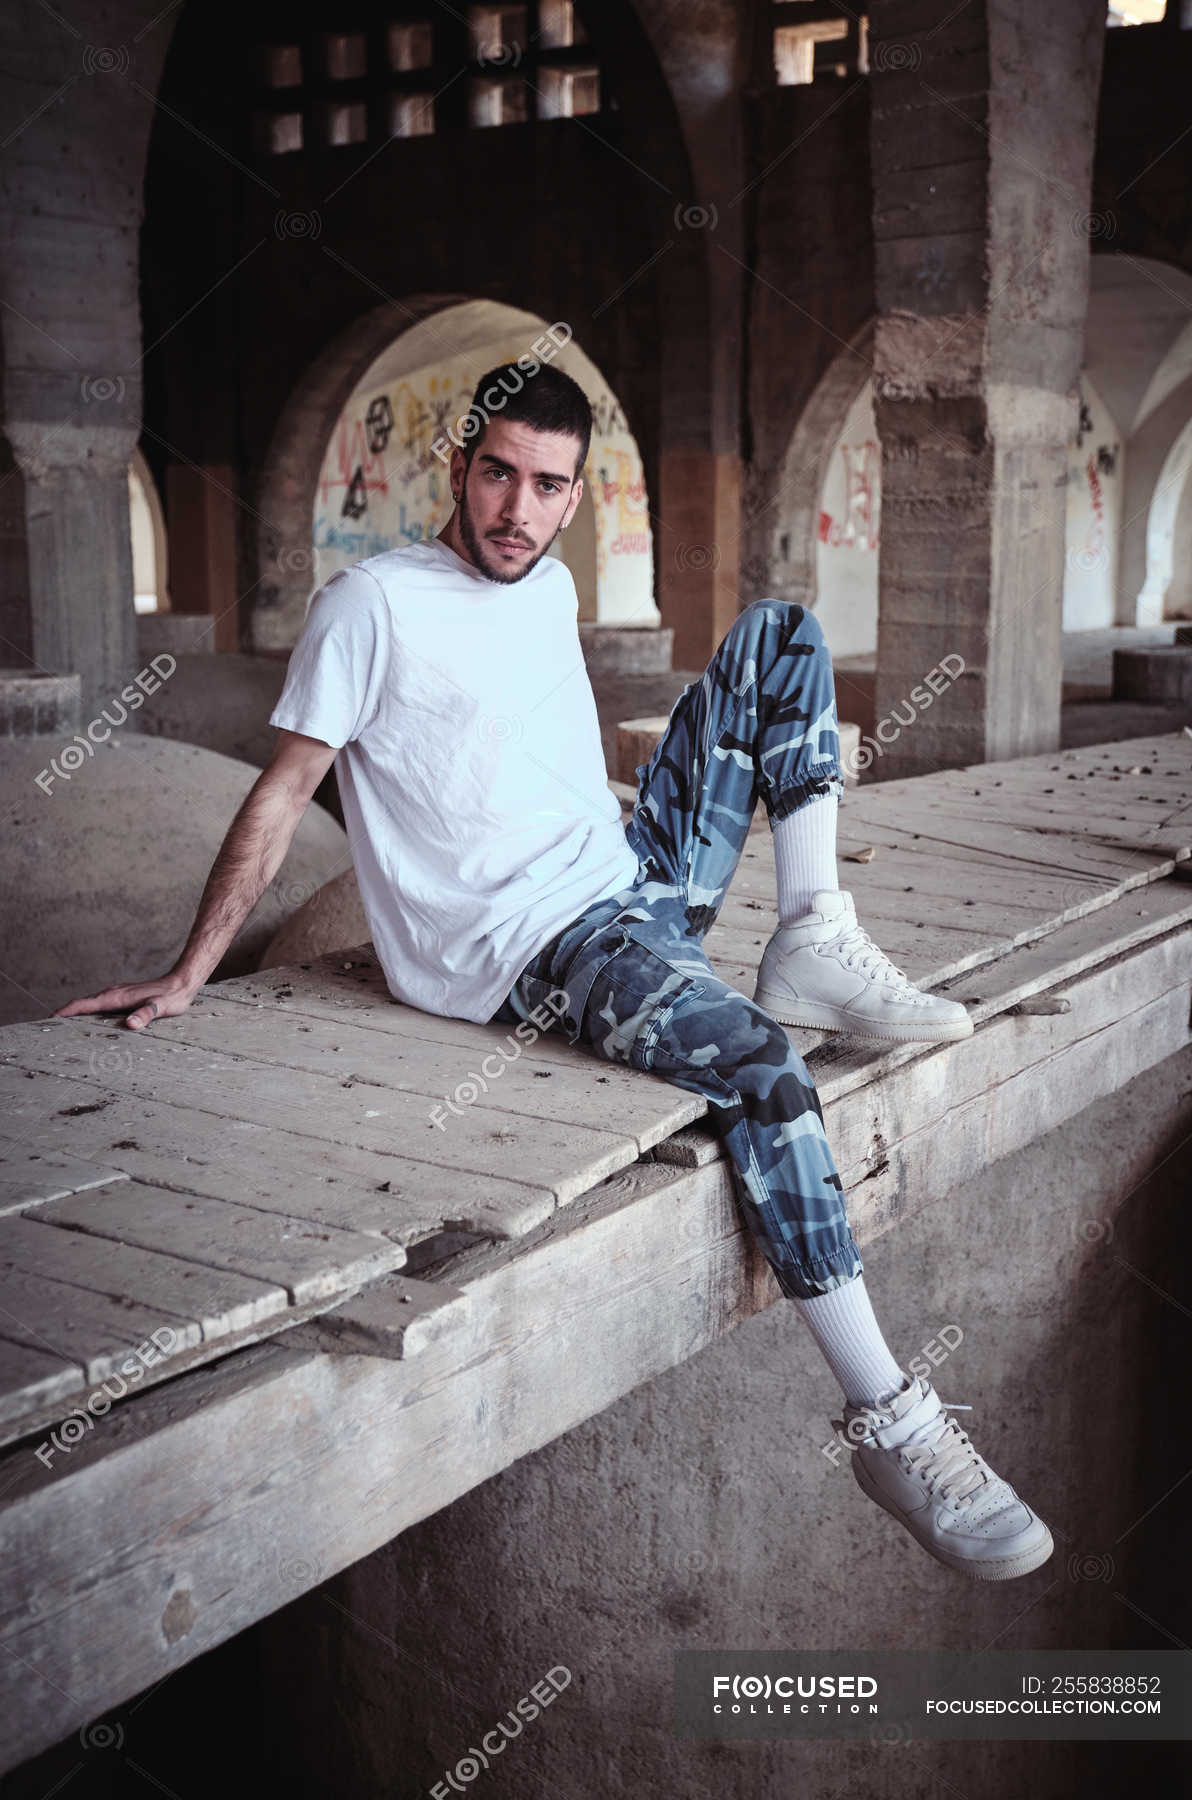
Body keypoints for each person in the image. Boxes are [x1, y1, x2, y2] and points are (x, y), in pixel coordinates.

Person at [57, 361, 1052, 1583]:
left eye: (546, 486)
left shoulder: (549, 582)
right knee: (763, 1069)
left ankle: (811, 929)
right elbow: (281, 796)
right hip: (541, 948)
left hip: (634, 879)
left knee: (783, 635)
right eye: (496, 476)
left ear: (575, 496)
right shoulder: (370, 606)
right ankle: (893, 1420)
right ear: (457, 466)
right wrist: (188, 973)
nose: (515, 511)